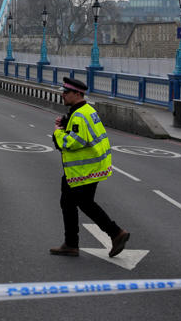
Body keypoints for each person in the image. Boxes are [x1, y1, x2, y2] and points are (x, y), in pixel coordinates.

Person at [50, 77, 129, 258]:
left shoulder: (79, 116)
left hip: (82, 170)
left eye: (66, 92)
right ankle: (71, 243)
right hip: (92, 167)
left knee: (84, 203)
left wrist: (58, 132)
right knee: (69, 203)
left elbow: (73, 142)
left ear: (78, 94)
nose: (62, 95)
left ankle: (115, 233)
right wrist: (65, 125)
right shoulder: (87, 110)